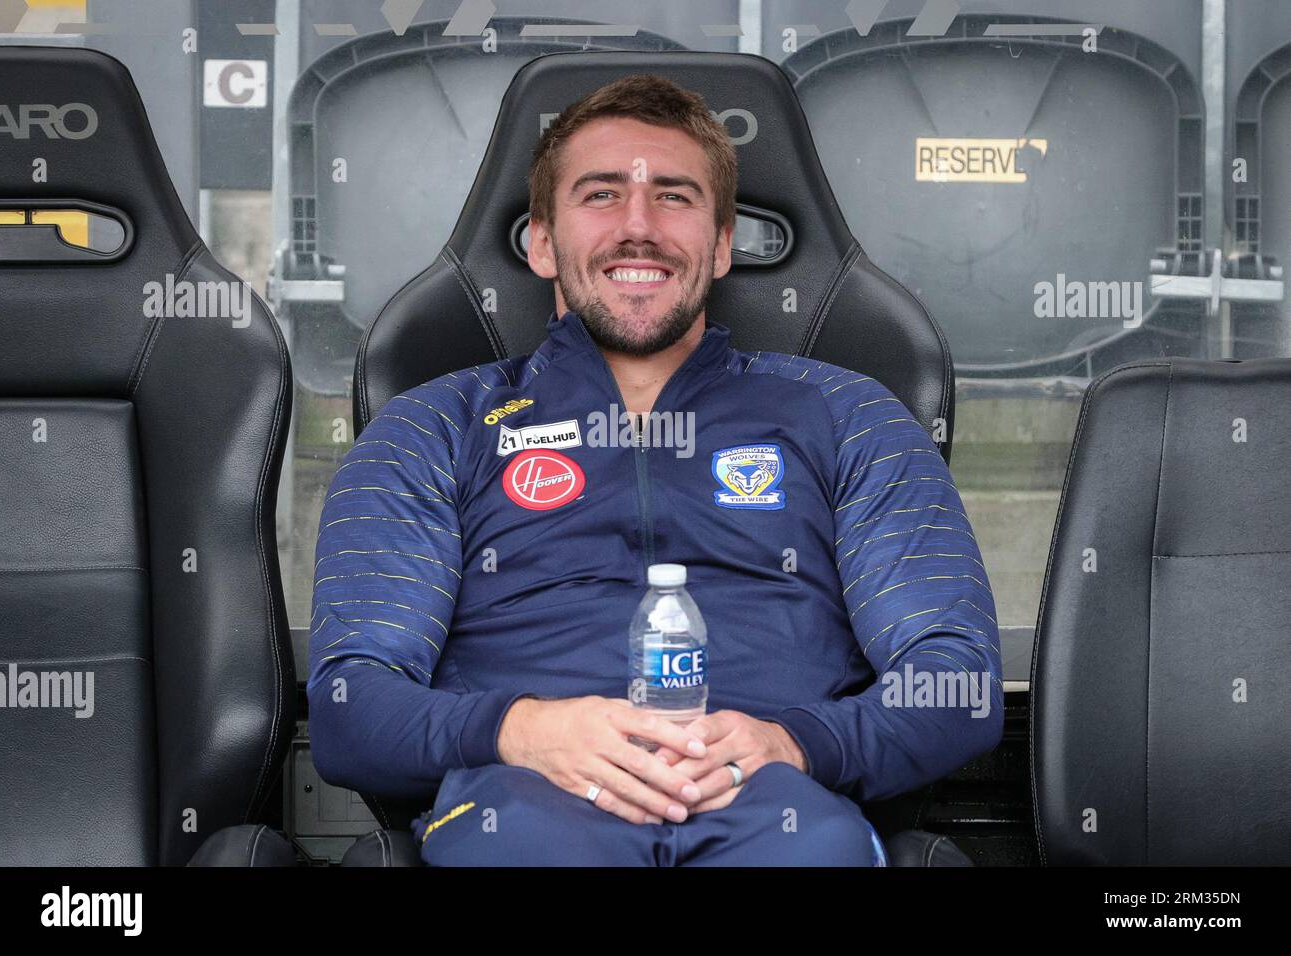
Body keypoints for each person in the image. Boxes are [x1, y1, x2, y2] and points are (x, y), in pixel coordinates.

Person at [308, 73, 1002, 866]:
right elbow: (349, 704)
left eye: (673, 196)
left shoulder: (849, 417)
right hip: (518, 804)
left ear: (720, 243)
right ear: (540, 241)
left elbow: (954, 682)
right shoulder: (432, 428)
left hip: (780, 810)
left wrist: (800, 741)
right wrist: (522, 730)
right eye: (600, 195)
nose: (638, 228)